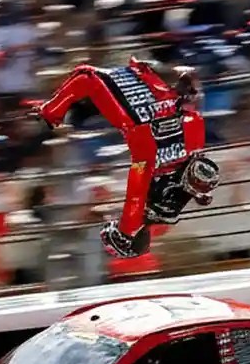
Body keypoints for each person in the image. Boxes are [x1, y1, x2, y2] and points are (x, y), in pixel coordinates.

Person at [29, 56, 220, 258]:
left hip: (148, 143)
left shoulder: (181, 127)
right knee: (86, 76)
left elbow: (139, 196)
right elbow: (195, 162)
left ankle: (52, 113)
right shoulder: (189, 123)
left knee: (85, 75)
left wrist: (50, 112)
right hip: (153, 145)